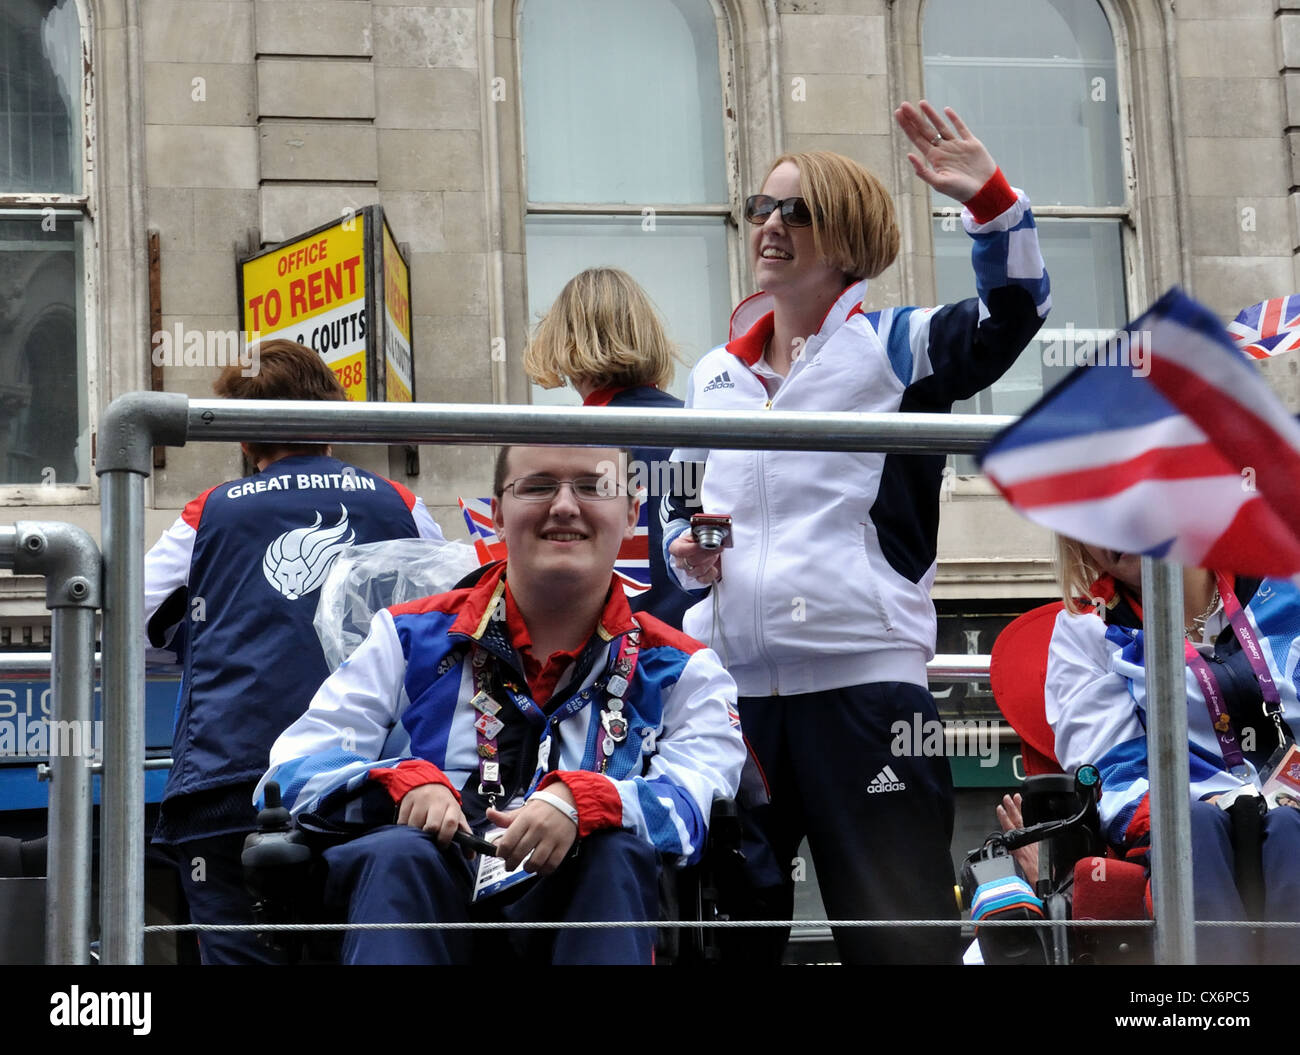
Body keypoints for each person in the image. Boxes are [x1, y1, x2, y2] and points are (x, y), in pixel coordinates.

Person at [663, 100, 1051, 964]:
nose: (769, 224)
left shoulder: (892, 346)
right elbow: (677, 501)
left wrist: (989, 201)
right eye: (761, 206)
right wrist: (684, 547)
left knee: (901, 947)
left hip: (868, 697)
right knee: (721, 946)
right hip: (731, 702)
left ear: (846, 239)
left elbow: (1017, 312)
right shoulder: (715, 374)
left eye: (795, 210)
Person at [258, 444, 745, 965]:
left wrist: (591, 802)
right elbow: (286, 778)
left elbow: (696, 807)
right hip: (429, 902)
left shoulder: (683, 668)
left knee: (614, 851)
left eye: (593, 486)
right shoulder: (405, 636)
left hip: (591, 904)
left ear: (631, 514)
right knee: (397, 853)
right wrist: (396, 781)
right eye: (538, 486)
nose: (564, 506)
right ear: (497, 513)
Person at [144, 338, 446, 964]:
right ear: (335, 421)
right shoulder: (403, 505)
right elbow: (453, 625)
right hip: (368, 786)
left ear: (243, 436)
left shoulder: (208, 512)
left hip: (231, 783)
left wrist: (203, 643)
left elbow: (129, 624)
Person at [1047, 537, 1300, 963]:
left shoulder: (1285, 589)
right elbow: (1113, 767)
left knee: (1289, 830)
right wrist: (1203, 807)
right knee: (1189, 829)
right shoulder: (1088, 628)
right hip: (1184, 815)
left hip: (1293, 801)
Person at [524, 267, 700, 628]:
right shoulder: (708, 429)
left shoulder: (567, 446)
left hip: (608, 650)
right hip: (700, 648)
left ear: (564, 342)